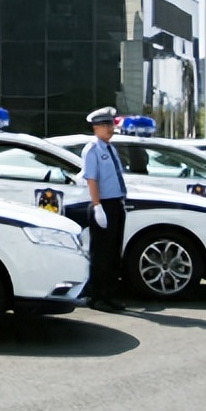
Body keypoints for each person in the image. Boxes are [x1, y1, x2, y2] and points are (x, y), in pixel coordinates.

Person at [80, 106, 128, 313]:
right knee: (101, 254)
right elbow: (91, 179)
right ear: (96, 127)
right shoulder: (92, 149)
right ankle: (97, 296)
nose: (111, 128)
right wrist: (97, 205)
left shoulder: (110, 148)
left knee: (113, 253)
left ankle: (109, 295)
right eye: (106, 125)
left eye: (111, 124)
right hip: (103, 205)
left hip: (115, 203)